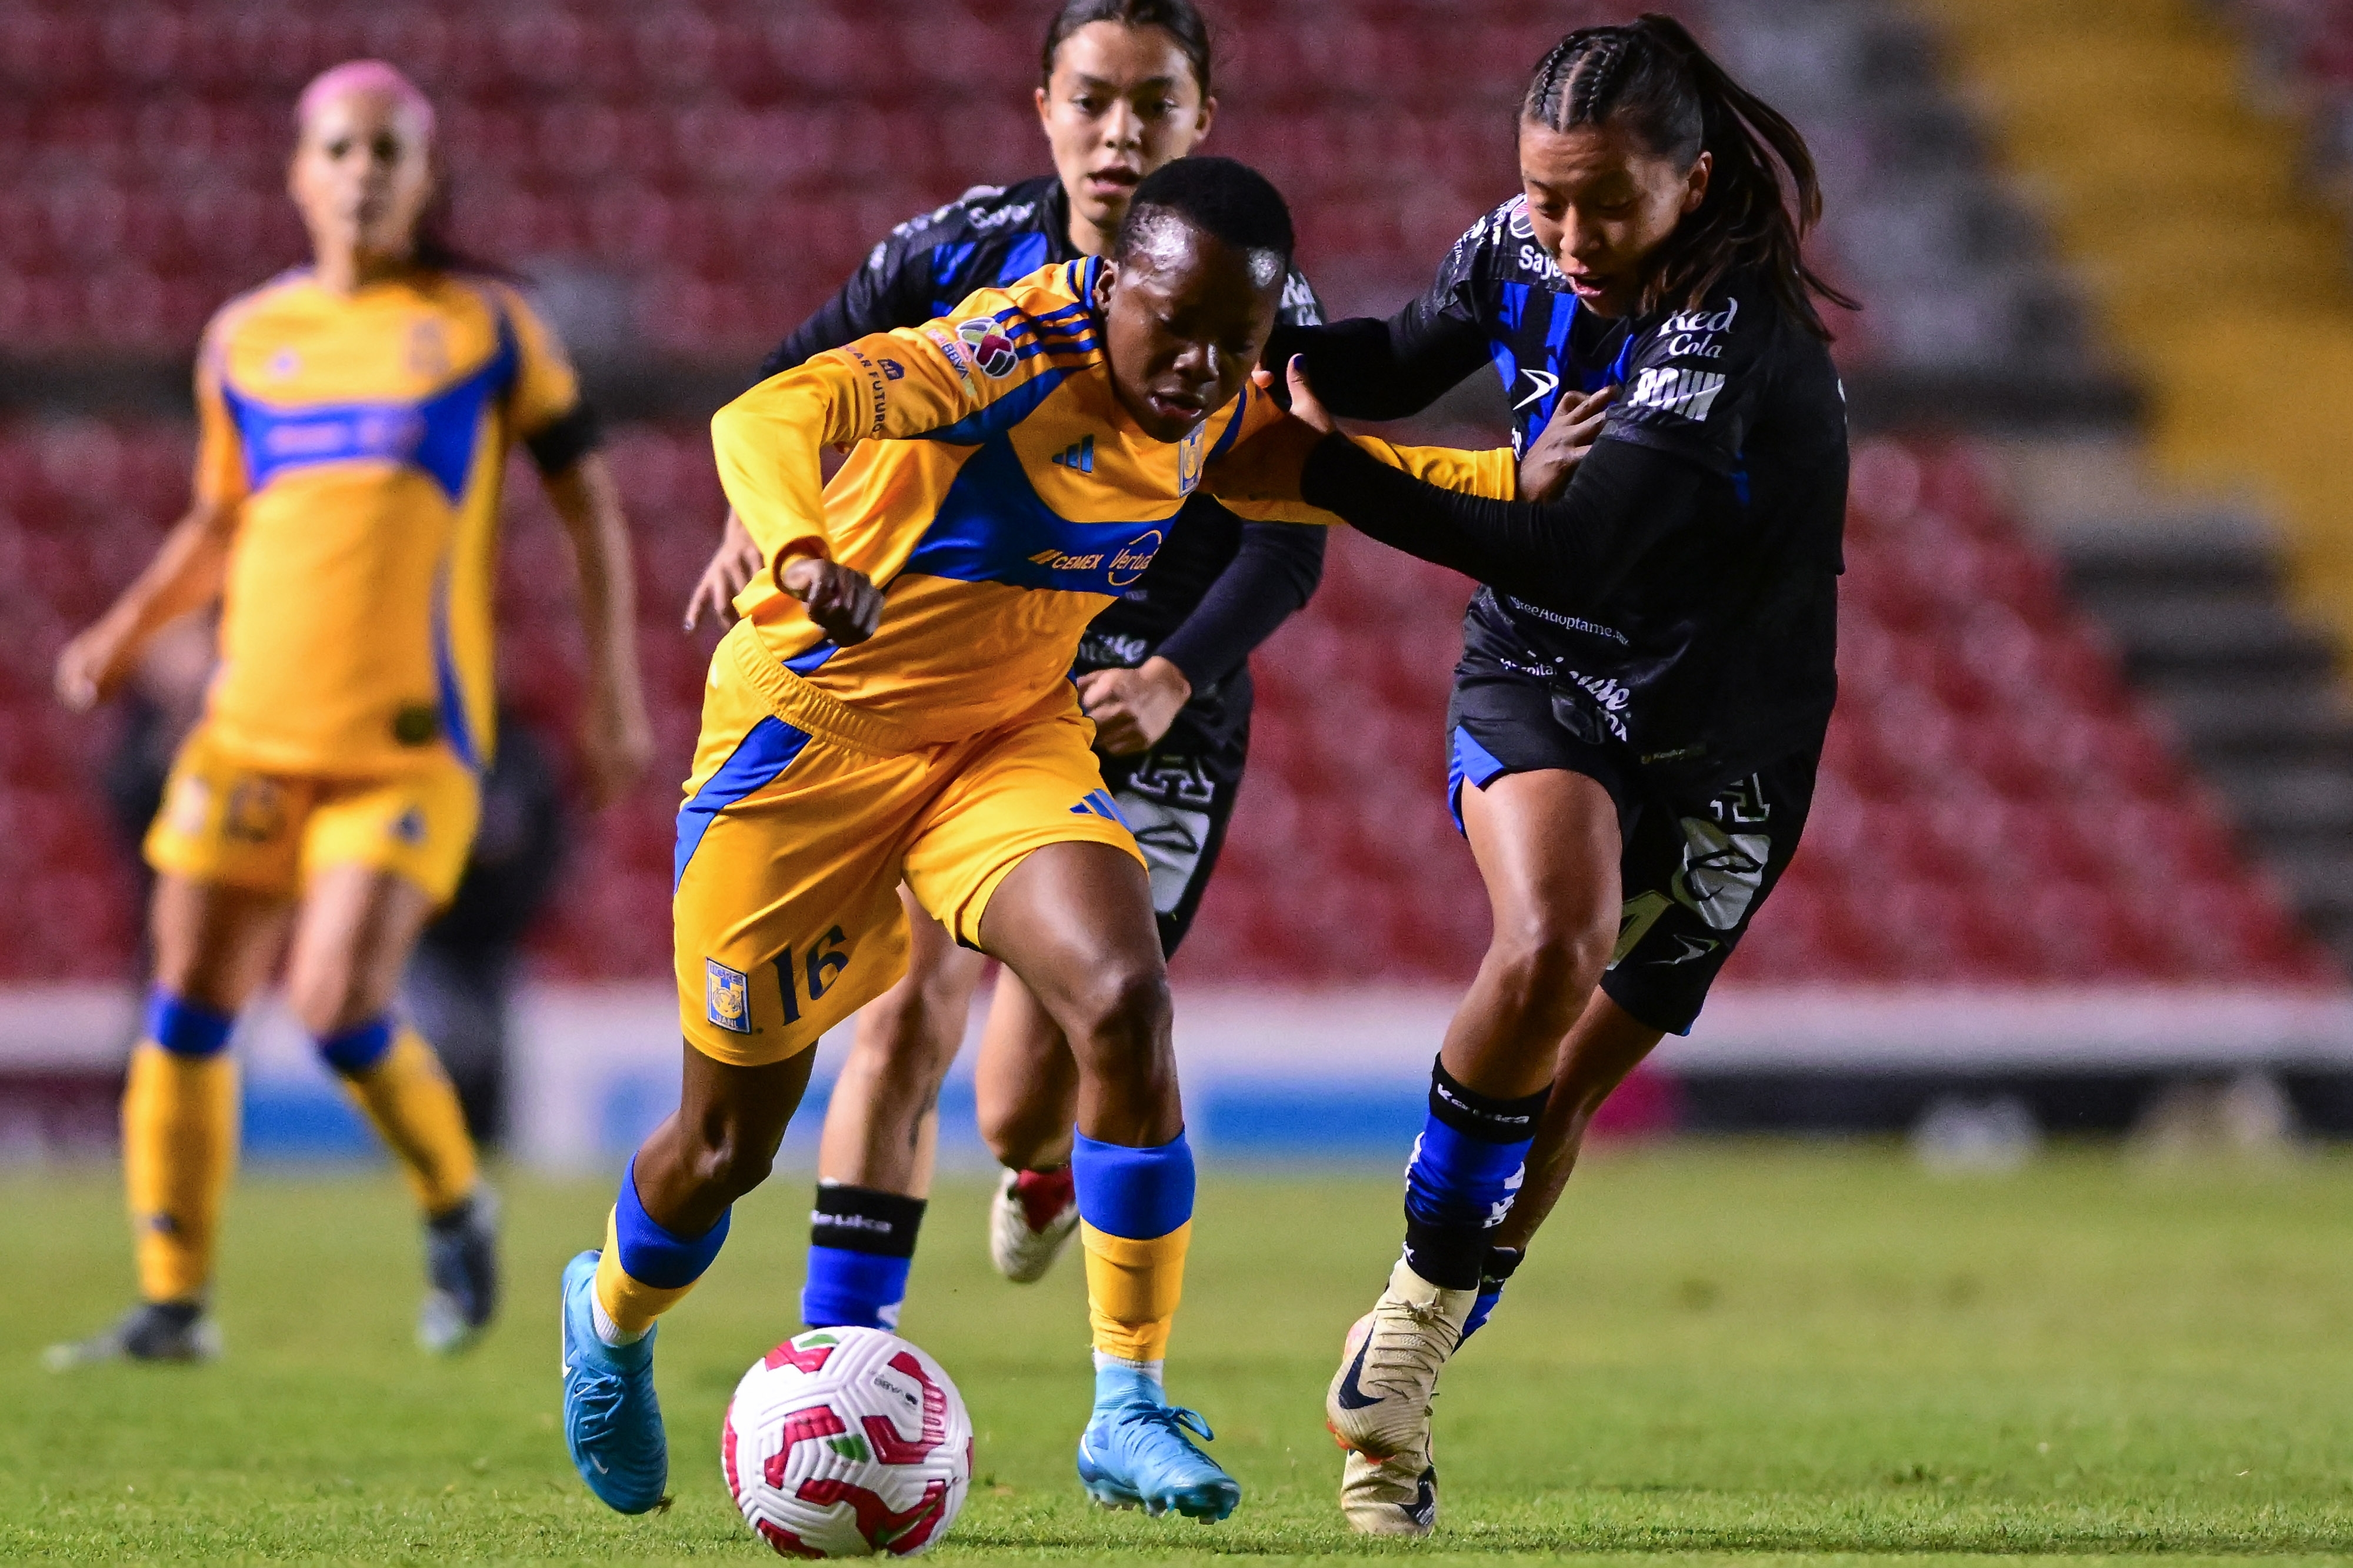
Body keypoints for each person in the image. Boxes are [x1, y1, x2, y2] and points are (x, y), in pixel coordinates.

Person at [558, 156, 1496, 1524]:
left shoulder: (1203, 396)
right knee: (723, 1147)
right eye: (1170, 330)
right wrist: (800, 545)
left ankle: (1125, 1401)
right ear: (1113, 284)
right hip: (804, 750)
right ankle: (612, 1314)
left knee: (1121, 994)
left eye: (1231, 346)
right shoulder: (1002, 351)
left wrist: (1511, 476)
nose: (1194, 369)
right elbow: (769, 409)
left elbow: (1294, 473)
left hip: (999, 742)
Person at [1216, 14, 1854, 1535]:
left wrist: (1319, 472)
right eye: (1543, 194)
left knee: (1559, 1090)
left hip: (1728, 755)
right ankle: (1408, 1369)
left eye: (1600, 205)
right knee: (1551, 938)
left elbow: (1580, 531)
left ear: (1691, 185)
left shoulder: (1735, 339)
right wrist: (1259, 339)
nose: (1563, 233)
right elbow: (1387, 359)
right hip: (1548, 668)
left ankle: (1409, 1360)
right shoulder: (1517, 246)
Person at [682, 0, 1327, 1333]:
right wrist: (772, 529)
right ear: (1042, 104)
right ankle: (843, 1357)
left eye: (1154, 104)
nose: (1119, 133)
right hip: (960, 694)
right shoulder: (963, 255)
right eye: (1092, 99)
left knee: (1025, 1084)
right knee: (905, 1010)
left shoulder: (1261, 295)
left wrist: (1176, 676)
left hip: (1152, 707)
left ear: (1202, 119)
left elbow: (1288, 544)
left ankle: (1043, 1164)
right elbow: (795, 376)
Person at [46, 61, 652, 1366]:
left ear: (426, 178)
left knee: (331, 1002)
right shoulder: (246, 339)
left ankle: (453, 1197)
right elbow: (221, 519)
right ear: (298, 174)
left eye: (389, 151)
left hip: (404, 745)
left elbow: (587, 505)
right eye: (340, 149)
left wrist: (613, 691)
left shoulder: (487, 326)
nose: (364, 171)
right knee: (189, 1003)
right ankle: (171, 1301)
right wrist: (124, 632)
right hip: (248, 731)